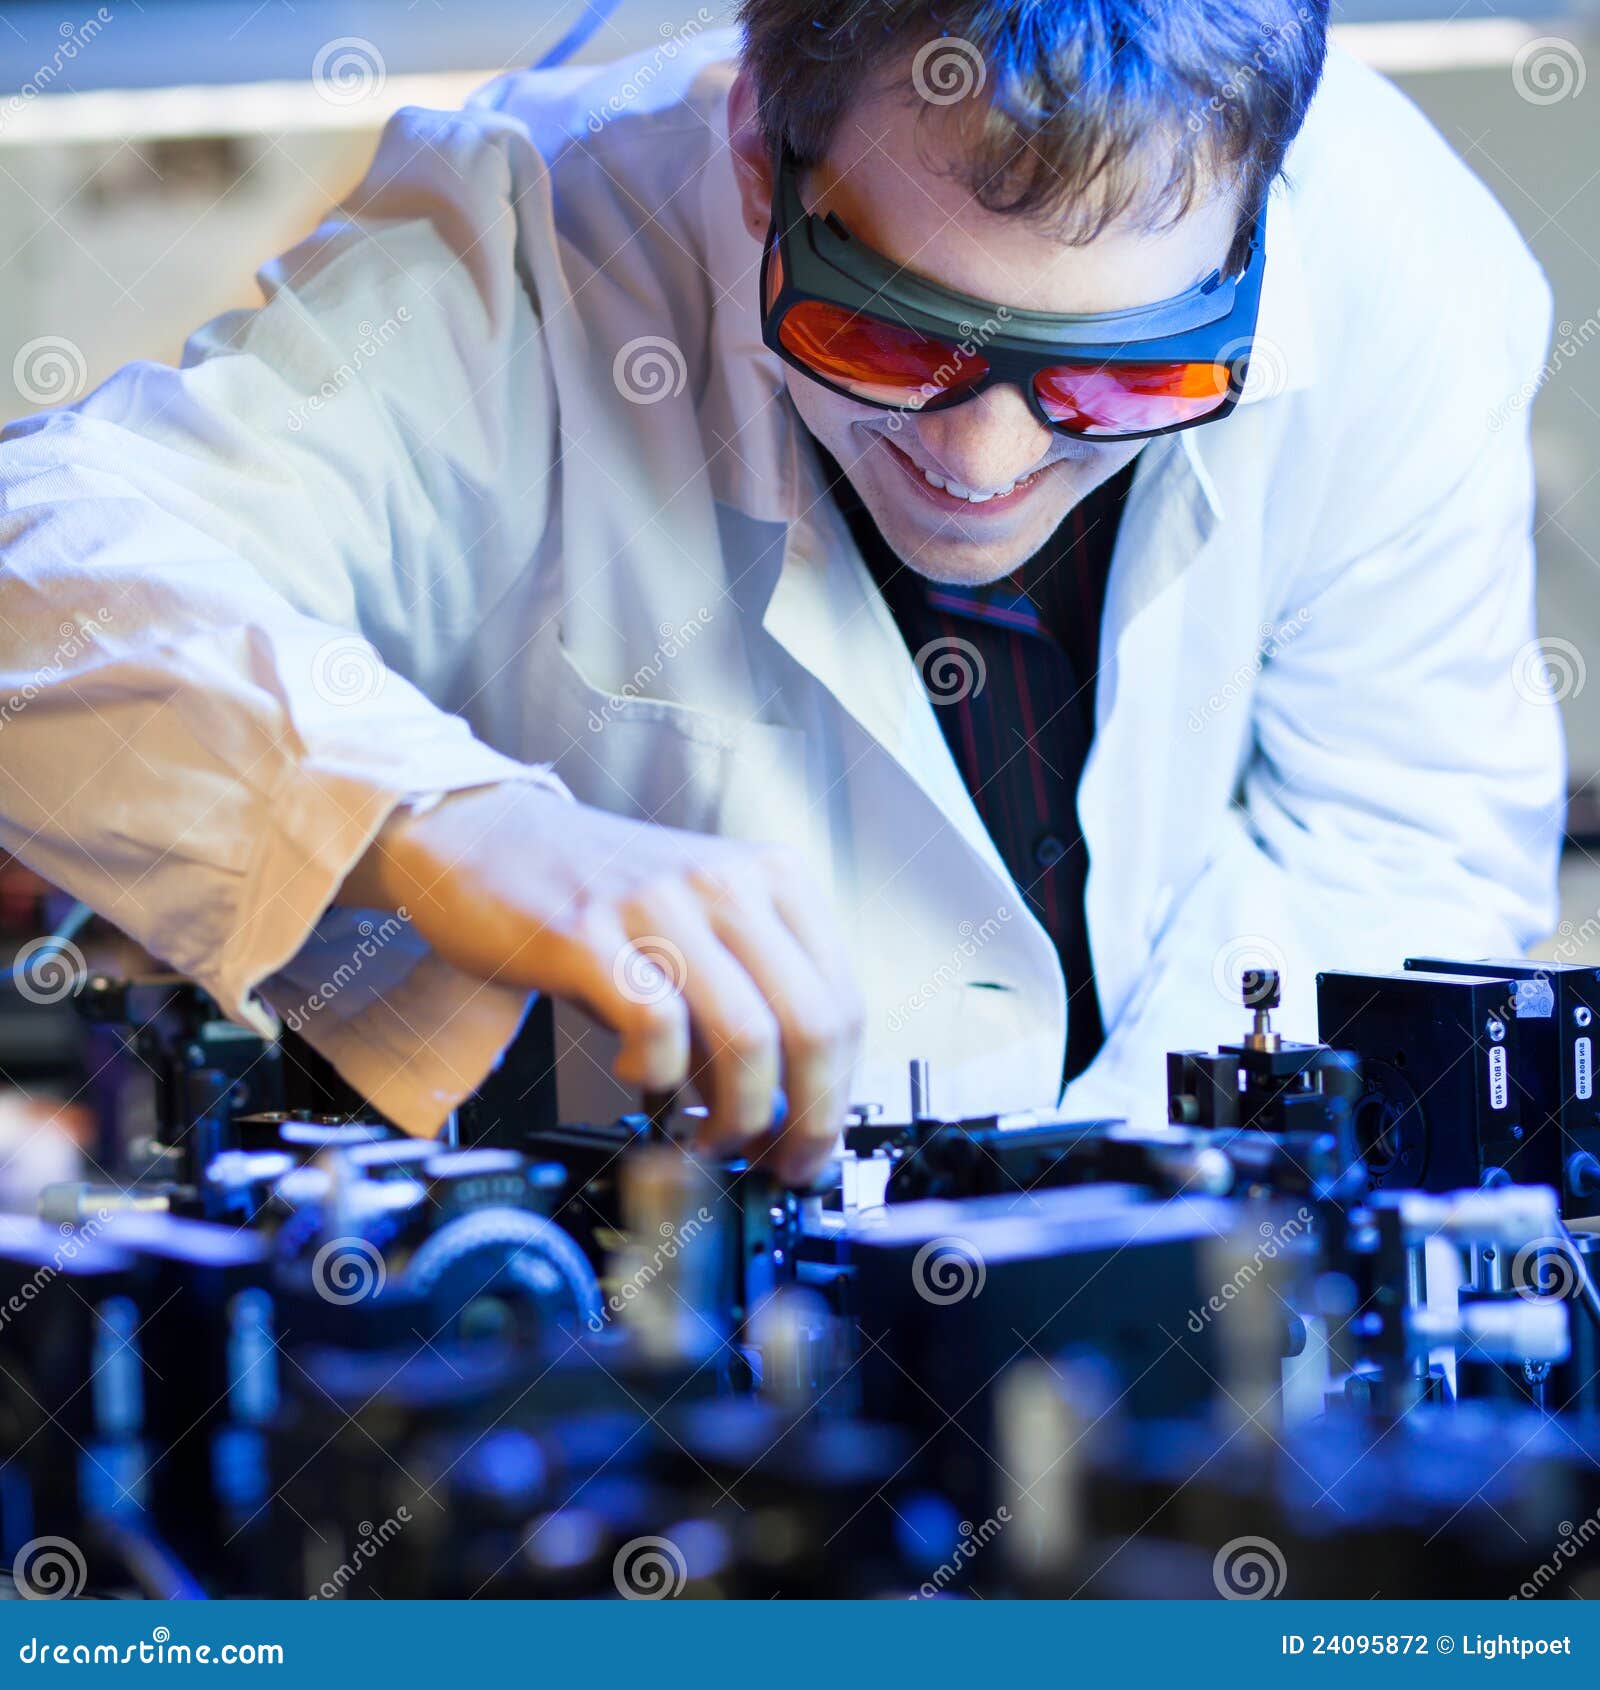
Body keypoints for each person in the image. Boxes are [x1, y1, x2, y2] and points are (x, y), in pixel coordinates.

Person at [0, 2, 1564, 1185]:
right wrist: (462, 822)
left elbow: (1396, 849)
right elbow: (43, 565)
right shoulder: (535, 247)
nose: (983, 458)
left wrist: (1095, 1226)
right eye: (893, 342)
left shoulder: (1394, 267)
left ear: (1253, 236)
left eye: (1121, 374)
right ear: (760, 157)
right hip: (638, 1351)